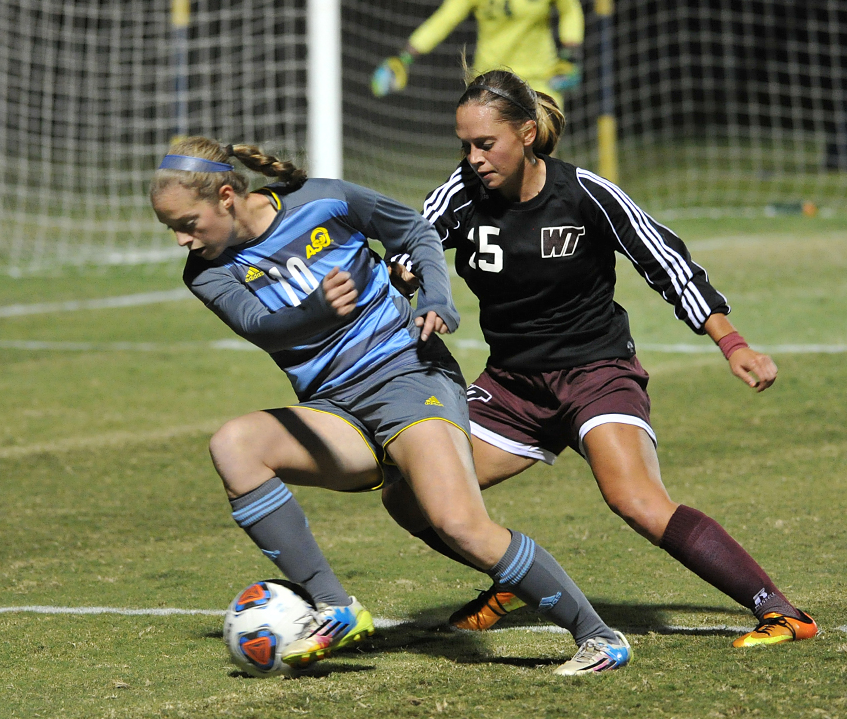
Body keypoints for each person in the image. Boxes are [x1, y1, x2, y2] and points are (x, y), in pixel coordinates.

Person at [149, 136, 634, 674]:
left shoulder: (322, 200)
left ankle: (598, 638)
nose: (180, 240)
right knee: (234, 445)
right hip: (336, 408)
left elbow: (415, 230)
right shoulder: (207, 271)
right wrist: (317, 311)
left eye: (187, 222)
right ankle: (336, 608)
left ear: (225, 196)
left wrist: (435, 294)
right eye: (171, 227)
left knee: (459, 524)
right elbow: (262, 328)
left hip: (410, 377)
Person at [382, 70, 820, 648]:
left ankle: (782, 612)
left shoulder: (586, 194)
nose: (473, 157)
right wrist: (398, 272)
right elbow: (410, 249)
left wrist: (731, 343)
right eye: (464, 144)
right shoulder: (460, 194)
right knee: (407, 491)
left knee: (635, 500)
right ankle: (511, 574)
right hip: (513, 386)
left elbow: (666, 262)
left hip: (596, 373)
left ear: (528, 134)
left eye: (485, 143)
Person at [371, 0, 584, 106]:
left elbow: (570, 10)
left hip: (541, 79)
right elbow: (443, 20)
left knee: (542, 158)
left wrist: (570, 57)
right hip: (491, 81)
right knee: (491, 161)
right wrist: (404, 57)